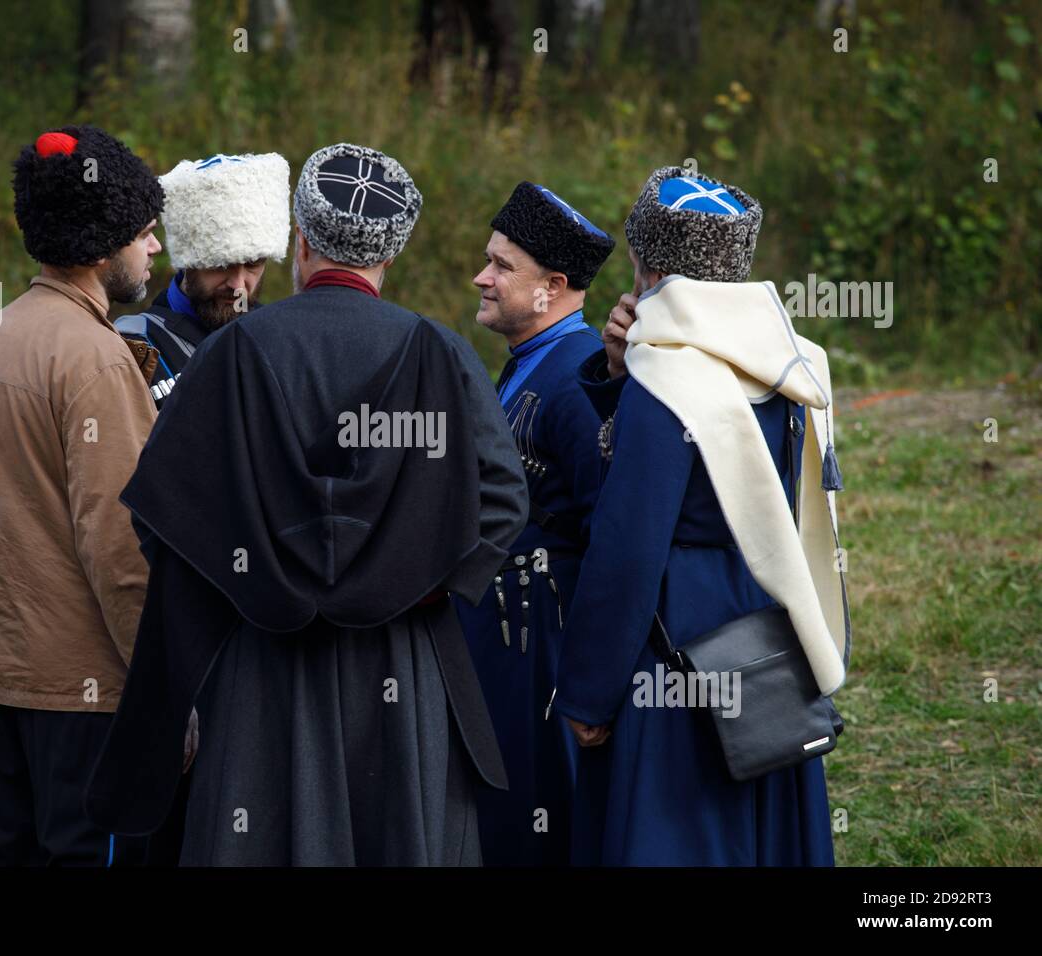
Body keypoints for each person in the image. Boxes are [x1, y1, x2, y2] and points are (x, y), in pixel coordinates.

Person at [85, 142, 530, 866]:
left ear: (301, 241)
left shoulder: (233, 350)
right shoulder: (442, 354)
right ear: (391, 255)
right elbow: (504, 503)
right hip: (402, 669)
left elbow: (159, 511)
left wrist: (245, 584)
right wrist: (415, 584)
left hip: (259, 661)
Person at [553, 166, 850, 866]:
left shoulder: (670, 380)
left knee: (680, 829)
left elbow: (627, 552)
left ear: (647, 265)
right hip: (764, 624)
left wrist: (588, 695)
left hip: (678, 642)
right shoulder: (792, 361)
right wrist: (624, 373)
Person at [0, 125, 164, 865]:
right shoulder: (99, 361)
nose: (155, 249)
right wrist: (161, 691)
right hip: (84, 694)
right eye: (144, 232)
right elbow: (121, 547)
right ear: (104, 249)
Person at [453, 182, 613, 866]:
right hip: (507, 644)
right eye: (488, 260)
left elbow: (609, 535)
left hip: (542, 650)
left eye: (501, 267)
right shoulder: (530, 363)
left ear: (552, 286)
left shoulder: (579, 382)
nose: (481, 278)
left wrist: (590, 682)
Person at [117, 152, 291, 406]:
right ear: (189, 259)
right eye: (221, 265)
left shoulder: (282, 337)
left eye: (253, 264)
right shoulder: (134, 345)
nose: (238, 285)